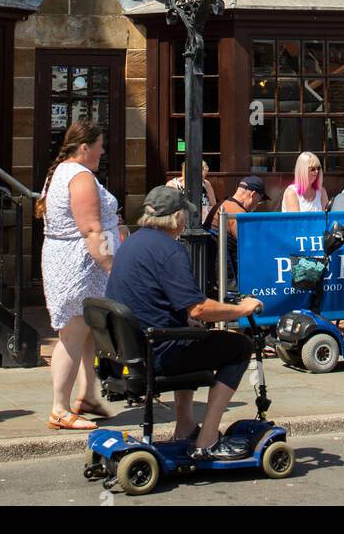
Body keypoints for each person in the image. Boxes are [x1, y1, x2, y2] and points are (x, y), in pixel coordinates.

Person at [107, 185, 261, 459]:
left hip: (127, 354)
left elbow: (165, 302)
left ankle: (186, 425)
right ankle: (208, 439)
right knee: (238, 347)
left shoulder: (131, 243)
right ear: (176, 217)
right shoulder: (169, 250)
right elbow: (200, 307)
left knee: (192, 334)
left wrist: (189, 321)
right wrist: (240, 309)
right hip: (155, 355)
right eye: (184, 216)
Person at [37, 121, 118, 430]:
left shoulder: (61, 171)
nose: (103, 150)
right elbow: (91, 230)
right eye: (99, 145)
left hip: (70, 261)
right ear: (85, 147)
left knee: (84, 331)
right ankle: (59, 408)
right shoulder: (81, 177)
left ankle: (86, 396)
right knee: (71, 335)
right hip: (80, 267)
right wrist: (113, 267)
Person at [206, 175, 269, 290]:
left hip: (215, 273)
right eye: (259, 201)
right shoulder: (237, 212)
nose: (257, 205)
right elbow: (250, 245)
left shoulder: (222, 204)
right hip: (228, 279)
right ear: (253, 195)